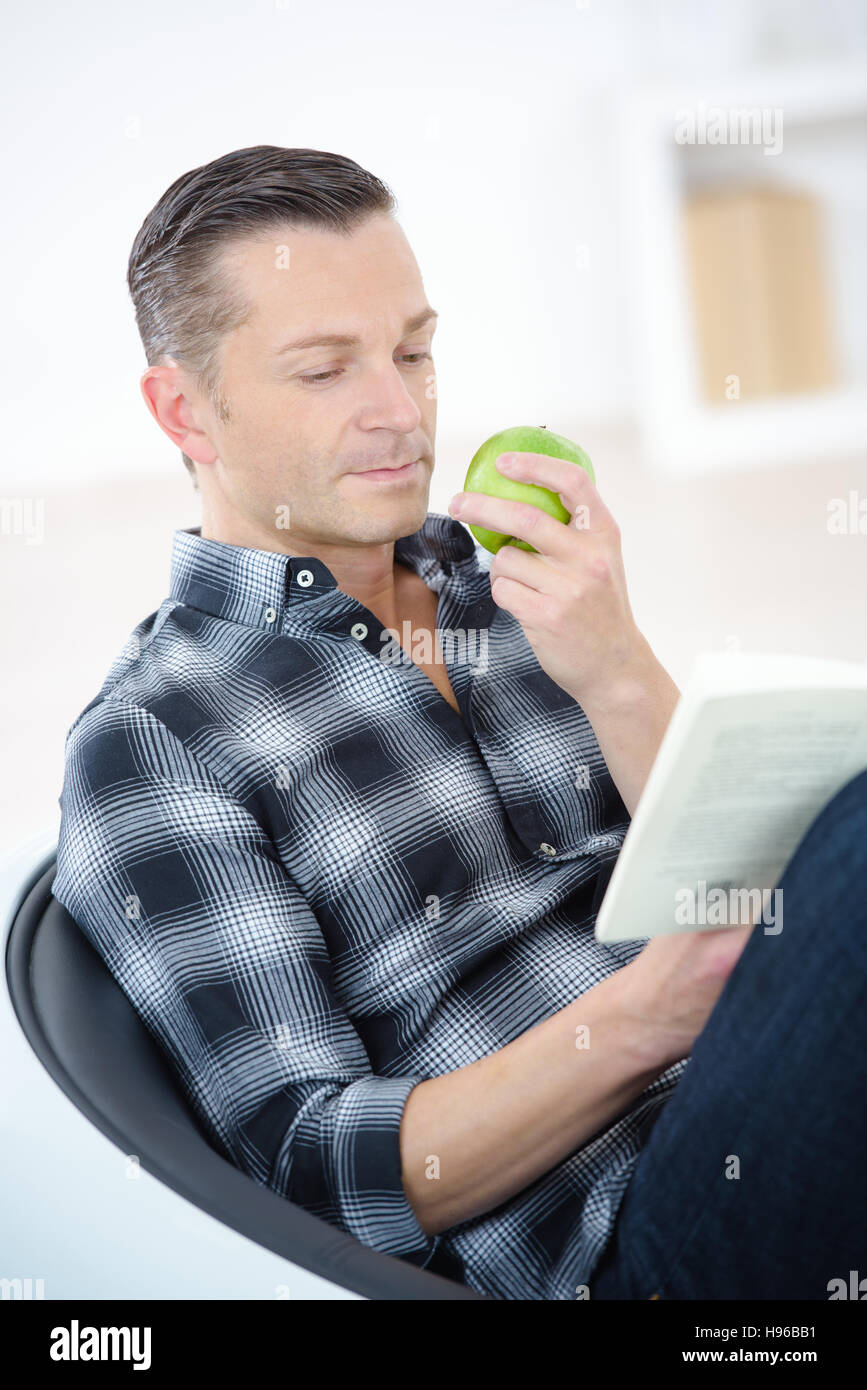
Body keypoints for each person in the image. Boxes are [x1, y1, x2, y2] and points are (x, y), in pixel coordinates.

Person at [52, 146, 859, 1302]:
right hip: (630, 1238)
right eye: (325, 370)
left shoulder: (514, 575)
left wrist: (619, 666)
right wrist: (651, 1016)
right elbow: (311, 1173)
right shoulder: (154, 742)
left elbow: (758, 873)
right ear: (185, 410)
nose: (399, 411)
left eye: (414, 350)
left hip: (785, 1086)